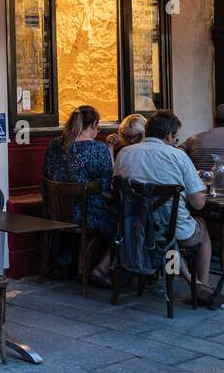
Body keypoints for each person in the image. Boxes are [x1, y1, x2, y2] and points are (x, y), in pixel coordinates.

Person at [114, 109, 214, 301]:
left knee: (169, 235)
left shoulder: (124, 153)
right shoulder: (177, 156)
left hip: (136, 227)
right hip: (171, 229)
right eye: (175, 138)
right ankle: (202, 285)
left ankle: (178, 277)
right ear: (169, 135)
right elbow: (198, 203)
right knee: (201, 227)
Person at [43, 106, 115, 282]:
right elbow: (107, 187)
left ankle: (77, 265)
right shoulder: (98, 149)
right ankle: (100, 269)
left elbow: (46, 173)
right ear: (93, 125)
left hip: (56, 212)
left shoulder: (54, 144)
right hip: (86, 215)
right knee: (123, 220)